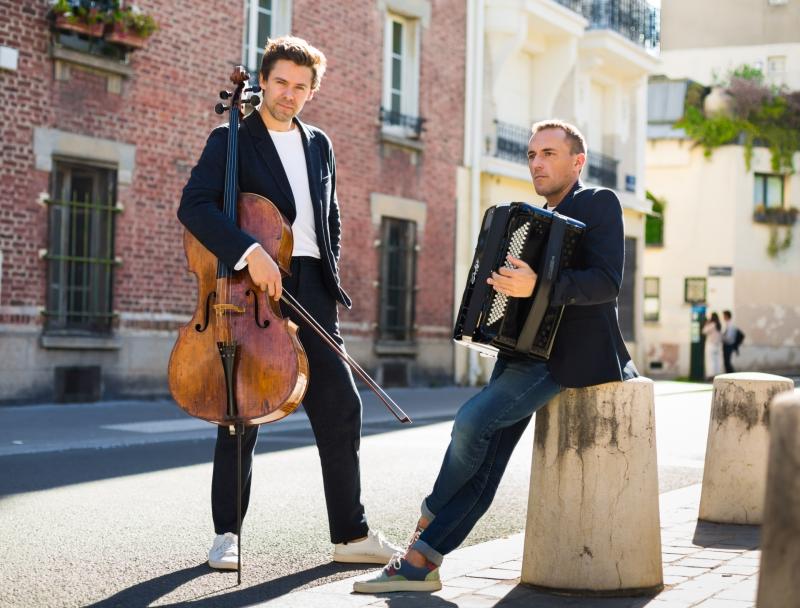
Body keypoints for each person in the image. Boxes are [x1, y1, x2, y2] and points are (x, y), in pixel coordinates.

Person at [353, 120, 638, 594]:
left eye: (548, 153)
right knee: (487, 463)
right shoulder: (532, 220)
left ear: (577, 161)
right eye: (532, 155)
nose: (538, 163)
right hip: (521, 349)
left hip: (566, 357)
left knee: (470, 422)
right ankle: (421, 564)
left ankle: (428, 516)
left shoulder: (598, 204)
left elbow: (607, 283)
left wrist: (538, 285)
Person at [178, 36, 400, 570]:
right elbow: (196, 206)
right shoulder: (230, 138)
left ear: (312, 91)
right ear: (264, 80)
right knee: (240, 408)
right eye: (281, 82)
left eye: (302, 86)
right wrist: (249, 251)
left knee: (341, 406)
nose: (290, 94)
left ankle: (350, 535)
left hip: (312, 287)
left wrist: (329, 265)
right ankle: (226, 534)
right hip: (250, 284)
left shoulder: (318, 142)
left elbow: (332, 214)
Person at [702, 312, 723, 380]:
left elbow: (704, 331)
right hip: (717, 345)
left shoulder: (712, 325)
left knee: (710, 360)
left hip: (710, 344)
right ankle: (716, 374)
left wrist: (707, 323)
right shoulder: (719, 325)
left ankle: (711, 375)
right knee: (716, 360)